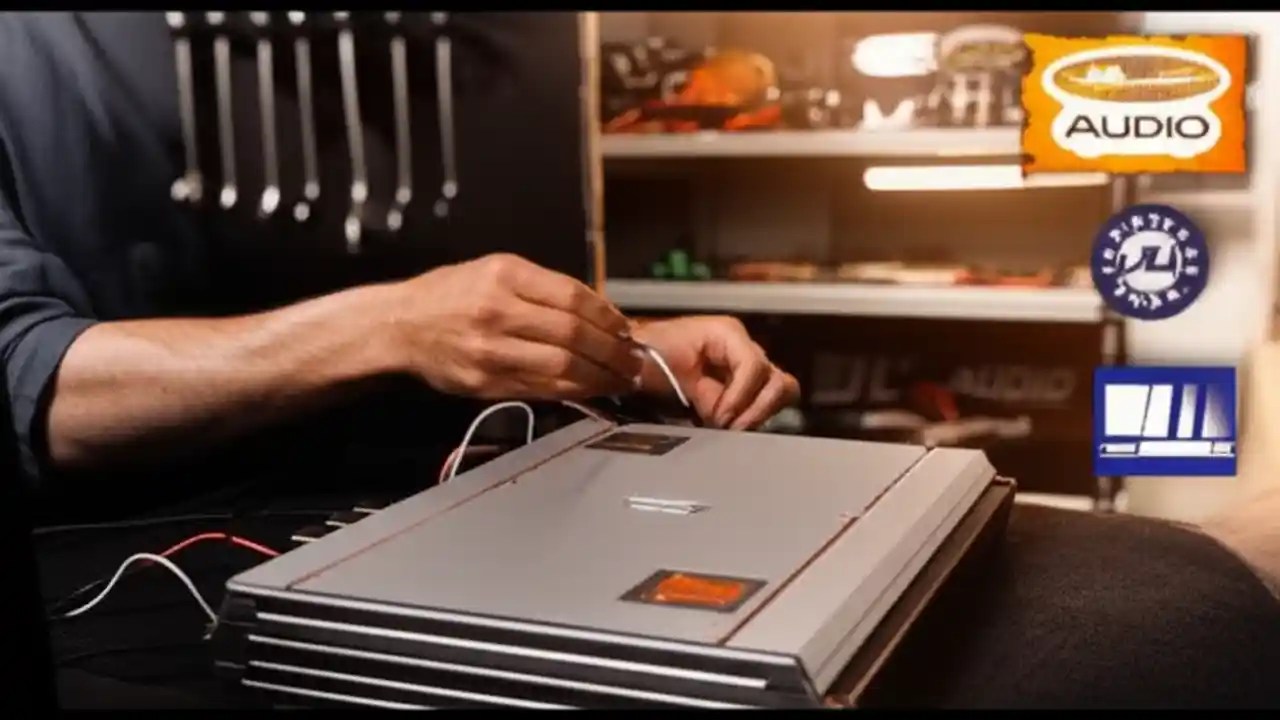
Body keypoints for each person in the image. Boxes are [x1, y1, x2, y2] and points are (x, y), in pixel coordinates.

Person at [0, 13, 797, 514]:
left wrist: (624, 354)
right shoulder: (40, 50)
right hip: (146, 567)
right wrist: (394, 326)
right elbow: (30, 384)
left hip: (471, 519)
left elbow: (447, 313)